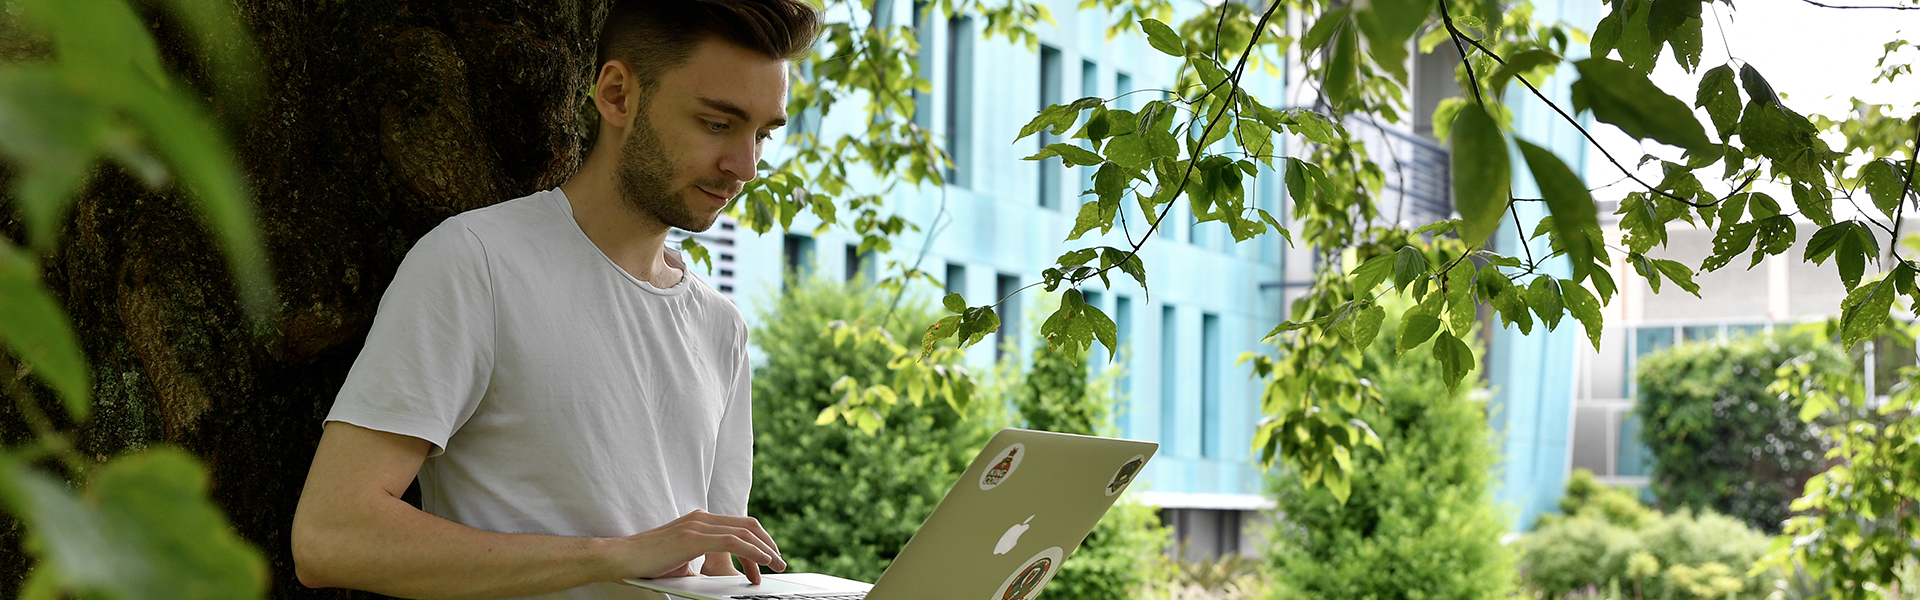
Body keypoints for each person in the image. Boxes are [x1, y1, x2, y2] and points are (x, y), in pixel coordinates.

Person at [290, 2, 819, 598]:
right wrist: (614, 556)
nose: (744, 165)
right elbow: (331, 536)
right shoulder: (478, 262)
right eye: (717, 124)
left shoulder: (721, 330)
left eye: (762, 134)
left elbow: (715, 571)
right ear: (617, 95)